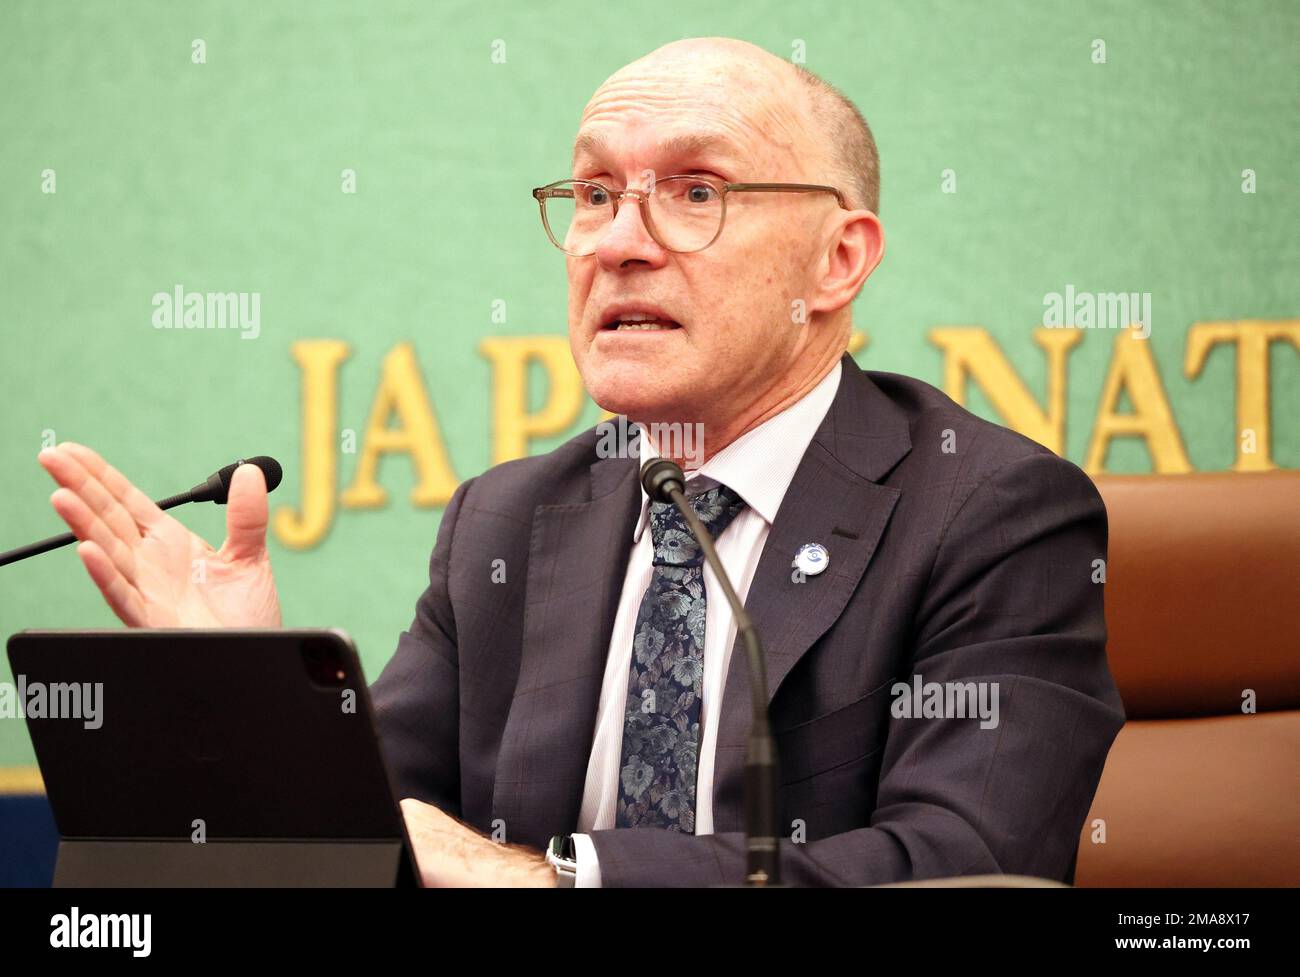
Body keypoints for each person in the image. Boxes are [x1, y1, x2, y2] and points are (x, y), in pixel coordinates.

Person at [36, 37, 1124, 887]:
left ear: (838, 260)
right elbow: (383, 838)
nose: (616, 241)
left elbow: (964, 867)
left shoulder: (990, 512)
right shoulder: (507, 522)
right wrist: (252, 699)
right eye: (594, 195)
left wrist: (560, 880)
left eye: (697, 191)